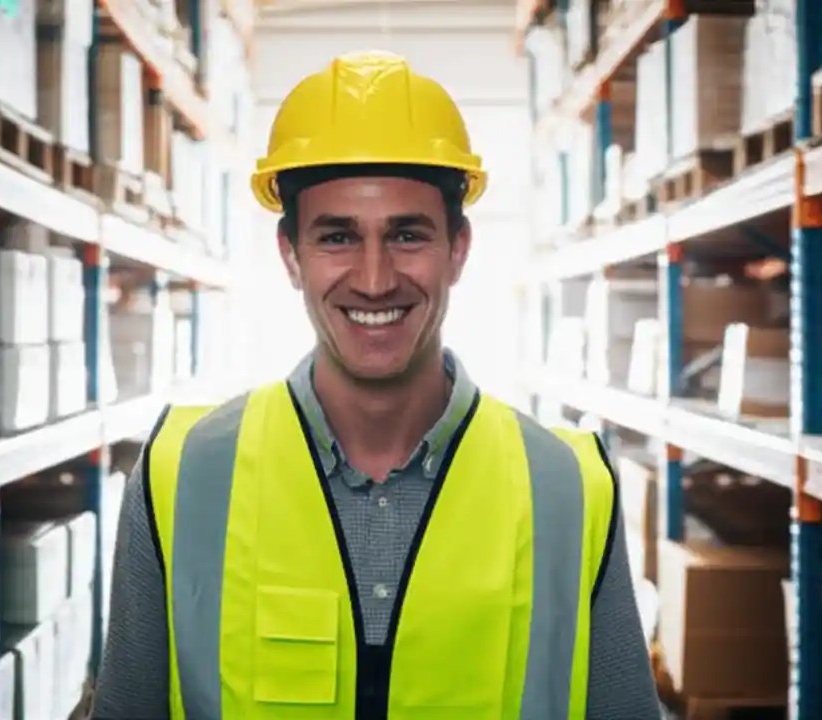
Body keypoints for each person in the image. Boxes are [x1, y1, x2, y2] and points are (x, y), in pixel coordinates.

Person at [91, 50, 661, 719]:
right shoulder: (182, 473)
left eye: (407, 235)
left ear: (459, 248)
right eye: (337, 236)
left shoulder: (567, 486)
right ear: (290, 255)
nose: (373, 278)